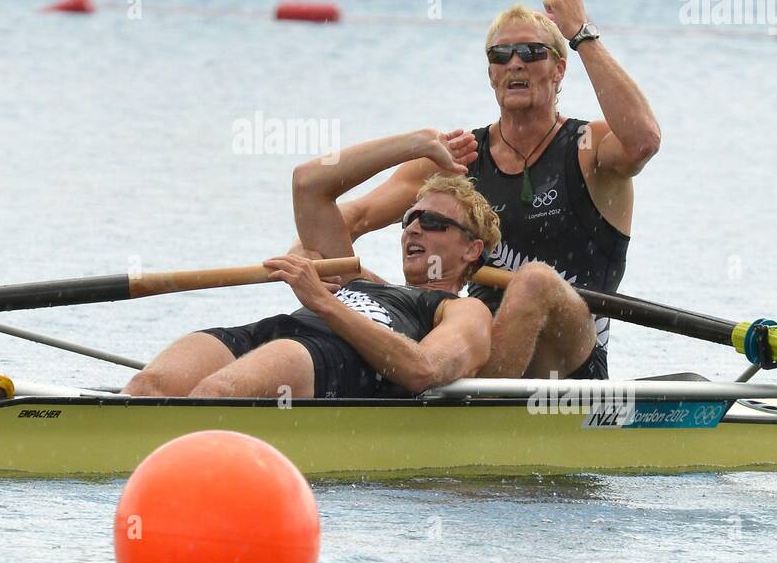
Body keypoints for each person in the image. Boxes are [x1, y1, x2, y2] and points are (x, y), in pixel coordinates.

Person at [324, 0, 661, 380]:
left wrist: (582, 34)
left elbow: (643, 141)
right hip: (474, 338)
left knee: (534, 281)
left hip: (569, 363)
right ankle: (429, 373)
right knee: (387, 278)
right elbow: (349, 219)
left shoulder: (589, 150)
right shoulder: (457, 158)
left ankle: (465, 402)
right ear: (491, 75)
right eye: (501, 56)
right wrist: (330, 266)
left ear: (559, 70)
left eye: (532, 53)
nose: (515, 63)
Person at [124, 130, 499, 400]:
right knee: (146, 388)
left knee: (215, 392)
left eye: (434, 223)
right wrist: (415, 145)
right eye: (409, 219)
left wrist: (323, 302)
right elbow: (309, 184)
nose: (415, 229)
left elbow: (423, 370)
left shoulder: (464, 310)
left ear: (472, 249)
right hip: (270, 334)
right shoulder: (354, 274)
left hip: (327, 360)